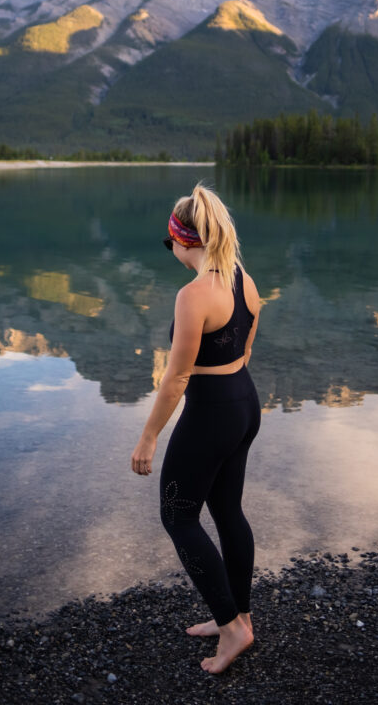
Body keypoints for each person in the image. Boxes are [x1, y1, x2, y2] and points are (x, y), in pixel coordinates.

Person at [131, 182, 261, 674]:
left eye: (171, 244)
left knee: (178, 517)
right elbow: (249, 336)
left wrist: (148, 437)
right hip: (245, 402)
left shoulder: (193, 295)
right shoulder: (242, 278)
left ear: (185, 241)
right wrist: (229, 380)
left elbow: (176, 378)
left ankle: (231, 631)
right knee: (228, 510)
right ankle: (239, 617)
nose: (174, 253)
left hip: (211, 412)